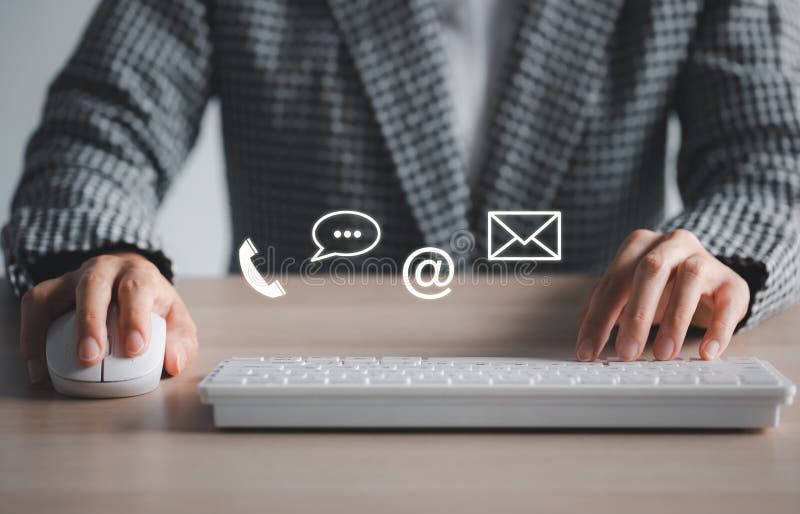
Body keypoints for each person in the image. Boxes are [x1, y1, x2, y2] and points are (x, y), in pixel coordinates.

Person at [3, 0, 799, 385]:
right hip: (294, 408)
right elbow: (103, 127)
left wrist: (712, 258)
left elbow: (769, 154)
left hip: (596, 382)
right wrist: (101, 260)